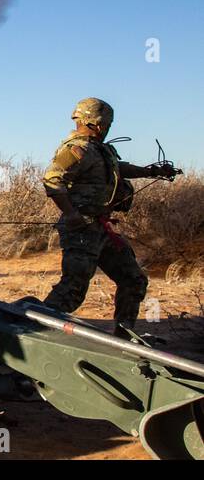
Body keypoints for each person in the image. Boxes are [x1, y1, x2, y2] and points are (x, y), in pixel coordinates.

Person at [41, 97, 179, 336]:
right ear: (97, 123)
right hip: (82, 230)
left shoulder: (99, 150)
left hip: (102, 229)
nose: (108, 128)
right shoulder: (77, 149)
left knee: (133, 279)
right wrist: (71, 214)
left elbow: (118, 168)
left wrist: (151, 171)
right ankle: (22, 332)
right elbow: (52, 180)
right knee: (72, 291)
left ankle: (125, 338)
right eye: (108, 123)